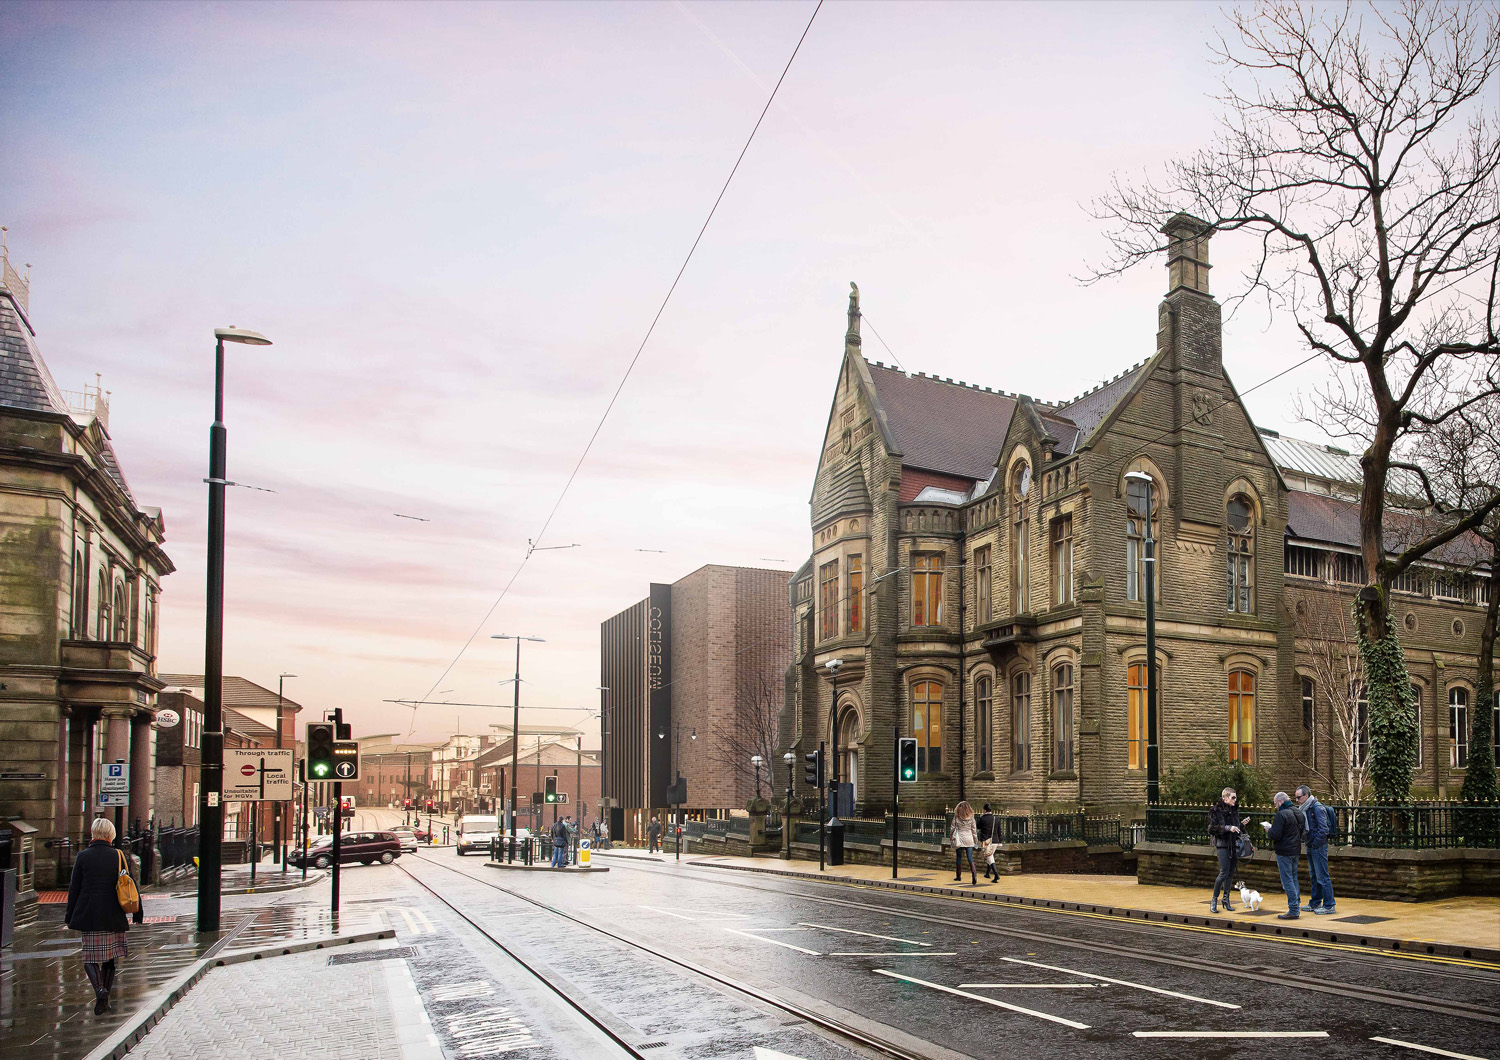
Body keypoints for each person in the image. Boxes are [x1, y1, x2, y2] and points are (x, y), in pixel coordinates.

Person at [65, 818, 139, 1015]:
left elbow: (74, 888)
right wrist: (138, 911)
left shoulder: (82, 856)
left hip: (89, 913)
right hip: (113, 913)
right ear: (110, 834)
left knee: (89, 956)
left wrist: (69, 915)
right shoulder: (118, 855)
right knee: (109, 959)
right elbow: (129, 883)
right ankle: (104, 1001)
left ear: (93, 833)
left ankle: (100, 991)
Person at [1207, 786, 1250, 913]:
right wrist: (1227, 828)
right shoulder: (1215, 810)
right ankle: (1214, 900)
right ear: (1225, 798)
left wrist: (1241, 825)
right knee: (1223, 873)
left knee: (1230, 874)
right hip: (1222, 845)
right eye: (1233, 797)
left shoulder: (1234, 810)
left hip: (1233, 845)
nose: (1235, 800)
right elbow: (1211, 828)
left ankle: (1226, 899)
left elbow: (1235, 828)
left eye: (1235, 797)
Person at [1295, 785, 1336, 915]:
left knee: (1323, 876)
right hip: (1311, 845)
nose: (1296, 800)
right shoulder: (1306, 808)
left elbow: (1323, 829)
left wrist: (1314, 843)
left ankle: (1329, 905)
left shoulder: (1317, 808)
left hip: (1318, 847)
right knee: (1314, 876)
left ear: (1306, 796)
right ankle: (1315, 902)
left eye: (1298, 797)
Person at [1264, 791, 1305, 919]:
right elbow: (1301, 831)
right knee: (1293, 878)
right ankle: (1296, 904)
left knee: (1287, 881)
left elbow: (1275, 835)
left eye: (1275, 804)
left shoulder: (1282, 814)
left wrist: (1269, 830)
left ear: (1280, 802)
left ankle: (1293, 910)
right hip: (1295, 850)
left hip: (1284, 852)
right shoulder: (1298, 812)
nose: (1275, 806)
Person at [951, 801, 978, 885]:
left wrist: (951, 837)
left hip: (959, 839)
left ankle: (958, 876)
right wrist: (975, 840)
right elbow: (974, 830)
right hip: (969, 839)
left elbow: (952, 828)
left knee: (959, 857)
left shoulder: (956, 816)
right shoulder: (972, 817)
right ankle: (974, 875)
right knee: (970, 857)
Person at [977, 803, 998, 882]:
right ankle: (987, 873)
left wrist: (981, 818)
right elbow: (999, 831)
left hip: (986, 841)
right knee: (990, 855)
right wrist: (1000, 842)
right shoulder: (996, 818)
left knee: (989, 856)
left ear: (985, 810)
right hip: (995, 840)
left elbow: (978, 826)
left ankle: (996, 875)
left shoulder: (983, 818)